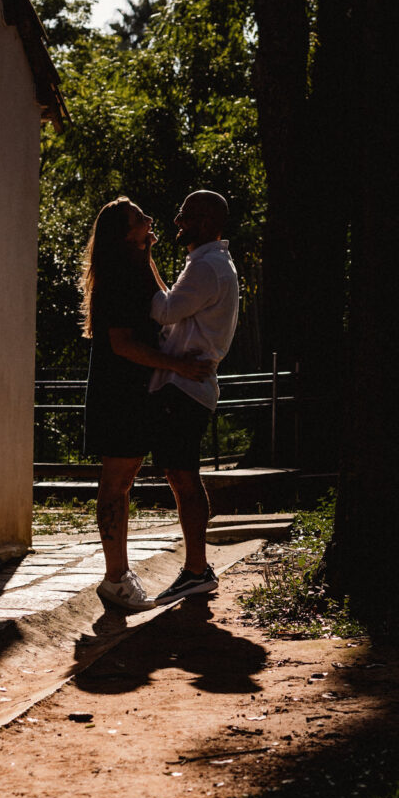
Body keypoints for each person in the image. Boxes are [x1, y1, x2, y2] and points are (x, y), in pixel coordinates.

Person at [81, 197, 211, 612]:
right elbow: (122, 344)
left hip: (135, 389)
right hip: (117, 391)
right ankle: (115, 578)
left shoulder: (132, 266)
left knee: (123, 481)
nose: (150, 219)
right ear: (124, 235)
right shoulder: (119, 276)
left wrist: (148, 253)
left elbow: (164, 304)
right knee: (116, 482)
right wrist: (178, 366)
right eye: (140, 218)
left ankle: (119, 576)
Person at [148, 190, 240, 606]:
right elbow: (174, 306)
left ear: (204, 221)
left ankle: (197, 570)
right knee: (181, 476)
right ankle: (197, 568)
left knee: (184, 478)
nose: (177, 222)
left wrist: (143, 259)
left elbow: (164, 311)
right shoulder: (209, 264)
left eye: (184, 215)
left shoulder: (206, 267)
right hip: (186, 386)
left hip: (185, 388)